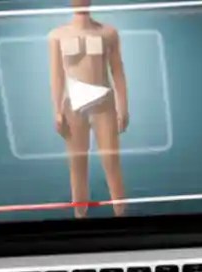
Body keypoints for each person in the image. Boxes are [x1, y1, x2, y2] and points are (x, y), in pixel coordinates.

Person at [49, 0, 129, 218]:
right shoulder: (57, 36)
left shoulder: (108, 33)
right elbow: (56, 75)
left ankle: (121, 214)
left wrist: (123, 107)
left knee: (111, 163)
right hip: (73, 106)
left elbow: (118, 71)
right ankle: (80, 217)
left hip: (103, 103)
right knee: (77, 166)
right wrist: (57, 109)